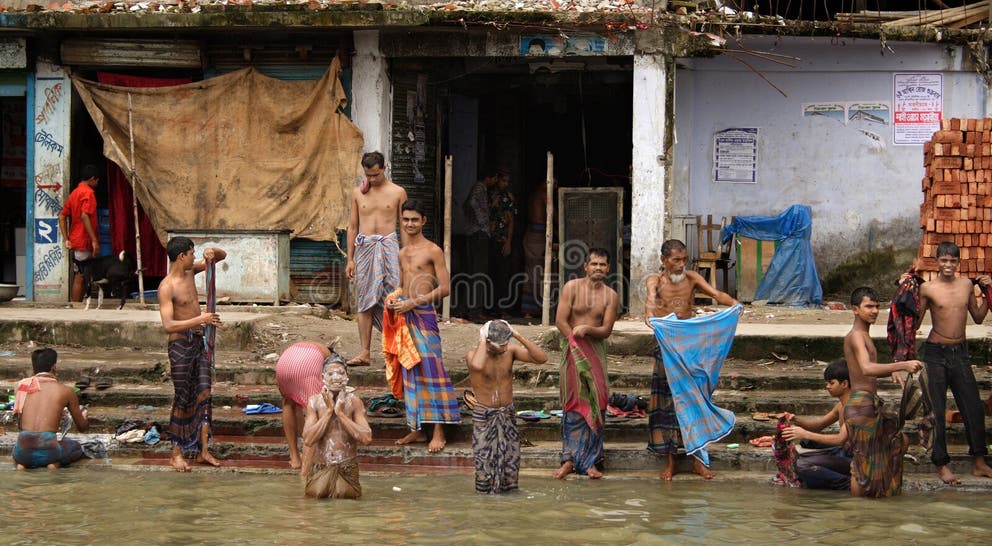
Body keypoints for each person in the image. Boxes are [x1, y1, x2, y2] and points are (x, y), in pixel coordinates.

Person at [643, 239, 738, 480]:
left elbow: (717, 294)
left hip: (692, 347)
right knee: (668, 403)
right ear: (664, 260)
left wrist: (735, 305)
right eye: (676, 260)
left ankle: (698, 460)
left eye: (684, 260)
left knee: (697, 399)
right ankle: (671, 461)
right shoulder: (655, 280)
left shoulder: (693, 278)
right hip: (667, 348)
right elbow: (650, 305)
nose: (681, 265)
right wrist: (650, 316)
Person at [910, 241, 992, 484]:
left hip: (960, 353)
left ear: (958, 263)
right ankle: (942, 464)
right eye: (944, 260)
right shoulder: (928, 289)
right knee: (936, 410)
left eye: (952, 261)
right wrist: (907, 291)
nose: (948, 265)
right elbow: (914, 324)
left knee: (974, 407)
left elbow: (977, 318)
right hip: (935, 354)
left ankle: (979, 462)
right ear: (937, 262)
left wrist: (988, 294)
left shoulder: (967, 284)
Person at [385, 199, 462, 452]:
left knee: (432, 370)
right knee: (410, 371)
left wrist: (414, 302)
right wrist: (395, 296)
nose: (409, 224)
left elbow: (445, 288)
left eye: (414, 219)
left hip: (424, 315)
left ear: (423, 221)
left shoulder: (433, 250)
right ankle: (416, 429)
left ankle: (438, 431)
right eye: (405, 219)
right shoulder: (401, 252)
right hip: (404, 315)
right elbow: (402, 283)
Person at [843, 286, 922, 497]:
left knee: (898, 441)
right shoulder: (856, 336)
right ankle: (857, 511)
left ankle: (880, 501)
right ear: (855, 309)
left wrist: (890, 372)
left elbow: (869, 370)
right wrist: (901, 366)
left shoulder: (864, 335)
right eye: (868, 306)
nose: (875, 311)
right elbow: (867, 368)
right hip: (860, 406)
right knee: (862, 465)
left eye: (877, 306)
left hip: (870, 404)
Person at [157, 236, 226, 472]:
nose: (194, 257)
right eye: (192, 253)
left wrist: (211, 251)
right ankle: (176, 453)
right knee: (183, 396)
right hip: (180, 345)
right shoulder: (167, 287)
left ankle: (202, 451)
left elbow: (220, 257)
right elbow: (168, 324)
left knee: (204, 393)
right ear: (181, 257)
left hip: (199, 342)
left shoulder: (190, 273)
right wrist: (202, 319)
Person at [552, 247, 618, 479]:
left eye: (602, 265)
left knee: (597, 402)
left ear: (608, 268)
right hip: (572, 349)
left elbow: (606, 330)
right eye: (594, 264)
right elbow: (560, 320)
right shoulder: (572, 288)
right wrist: (573, 341)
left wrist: (588, 329)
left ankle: (591, 462)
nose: (598, 268)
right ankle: (568, 459)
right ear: (586, 266)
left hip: (595, 351)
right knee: (572, 403)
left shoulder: (610, 295)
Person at [466, 319, 548, 494]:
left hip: (507, 415)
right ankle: (484, 503)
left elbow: (542, 358)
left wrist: (517, 335)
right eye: (500, 344)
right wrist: (482, 338)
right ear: (488, 341)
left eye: (506, 343)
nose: (504, 347)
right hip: (484, 416)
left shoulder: (510, 351)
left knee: (511, 462)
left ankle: (509, 498)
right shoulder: (474, 355)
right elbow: (478, 366)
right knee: (484, 464)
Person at [345, 151, 407, 367]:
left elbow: (404, 225)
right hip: (364, 249)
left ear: (384, 168)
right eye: (367, 175)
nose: (371, 179)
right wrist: (350, 259)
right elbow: (352, 226)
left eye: (375, 175)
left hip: (389, 248)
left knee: (393, 300)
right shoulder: (357, 193)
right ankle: (364, 353)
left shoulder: (398, 192)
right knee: (364, 302)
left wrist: (406, 255)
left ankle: (395, 352)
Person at [302, 353, 372, 499]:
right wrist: (328, 412)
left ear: (347, 377)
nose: (336, 377)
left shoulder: (354, 402)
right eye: (331, 373)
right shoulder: (314, 402)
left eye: (340, 373)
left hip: (347, 469)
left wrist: (340, 413)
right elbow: (308, 439)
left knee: (345, 501)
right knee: (317, 503)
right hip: (321, 468)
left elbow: (366, 438)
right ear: (323, 378)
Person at [778, 358, 853, 490]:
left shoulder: (853, 407)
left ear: (844, 384)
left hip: (854, 458)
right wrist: (796, 419)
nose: (827, 386)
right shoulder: (840, 405)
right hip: (842, 451)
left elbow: (840, 439)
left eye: (831, 383)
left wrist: (805, 433)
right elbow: (818, 425)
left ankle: (846, 484)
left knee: (801, 465)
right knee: (796, 459)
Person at [12, 348, 89, 469]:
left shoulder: (22, 386)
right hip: (49, 451)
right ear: (54, 367)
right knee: (75, 447)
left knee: (25, 448)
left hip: (22, 450)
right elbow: (82, 427)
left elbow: (20, 421)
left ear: (34, 369)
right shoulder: (66, 391)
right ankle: (53, 464)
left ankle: (22, 464)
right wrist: (84, 416)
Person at [276, 340, 333, 469]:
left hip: (283, 365)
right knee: (313, 410)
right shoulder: (329, 356)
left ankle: (295, 458)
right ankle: (312, 458)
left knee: (288, 402)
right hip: (306, 368)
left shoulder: (302, 345)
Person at [58, 164, 100, 302]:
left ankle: (78, 305)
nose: (97, 183)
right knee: (81, 275)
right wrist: (94, 240)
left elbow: (62, 216)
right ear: (92, 179)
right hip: (84, 240)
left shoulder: (75, 193)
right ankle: (76, 307)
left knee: (81, 274)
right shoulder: (88, 193)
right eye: (97, 181)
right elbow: (84, 215)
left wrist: (66, 239)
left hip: (76, 239)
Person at [463, 169, 497, 321]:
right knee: (479, 274)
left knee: (474, 273)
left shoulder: (476, 188)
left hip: (473, 234)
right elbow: (471, 204)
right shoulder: (480, 188)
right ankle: (475, 311)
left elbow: (465, 205)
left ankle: (470, 309)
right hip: (479, 234)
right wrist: (484, 223)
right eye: (495, 177)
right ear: (490, 177)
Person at [521, 178, 553, 318]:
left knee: (532, 271)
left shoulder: (534, 195)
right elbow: (551, 215)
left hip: (531, 235)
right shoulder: (542, 195)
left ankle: (530, 308)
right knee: (537, 272)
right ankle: (534, 308)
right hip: (537, 236)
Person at [488, 170, 517, 317]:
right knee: (490, 274)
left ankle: (502, 309)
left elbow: (511, 221)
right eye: (503, 181)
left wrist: (509, 242)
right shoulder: (489, 194)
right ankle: (490, 308)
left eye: (507, 181)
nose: (505, 184)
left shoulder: (508, 198)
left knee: (503, 275)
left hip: (502, 240)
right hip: (488, 239)